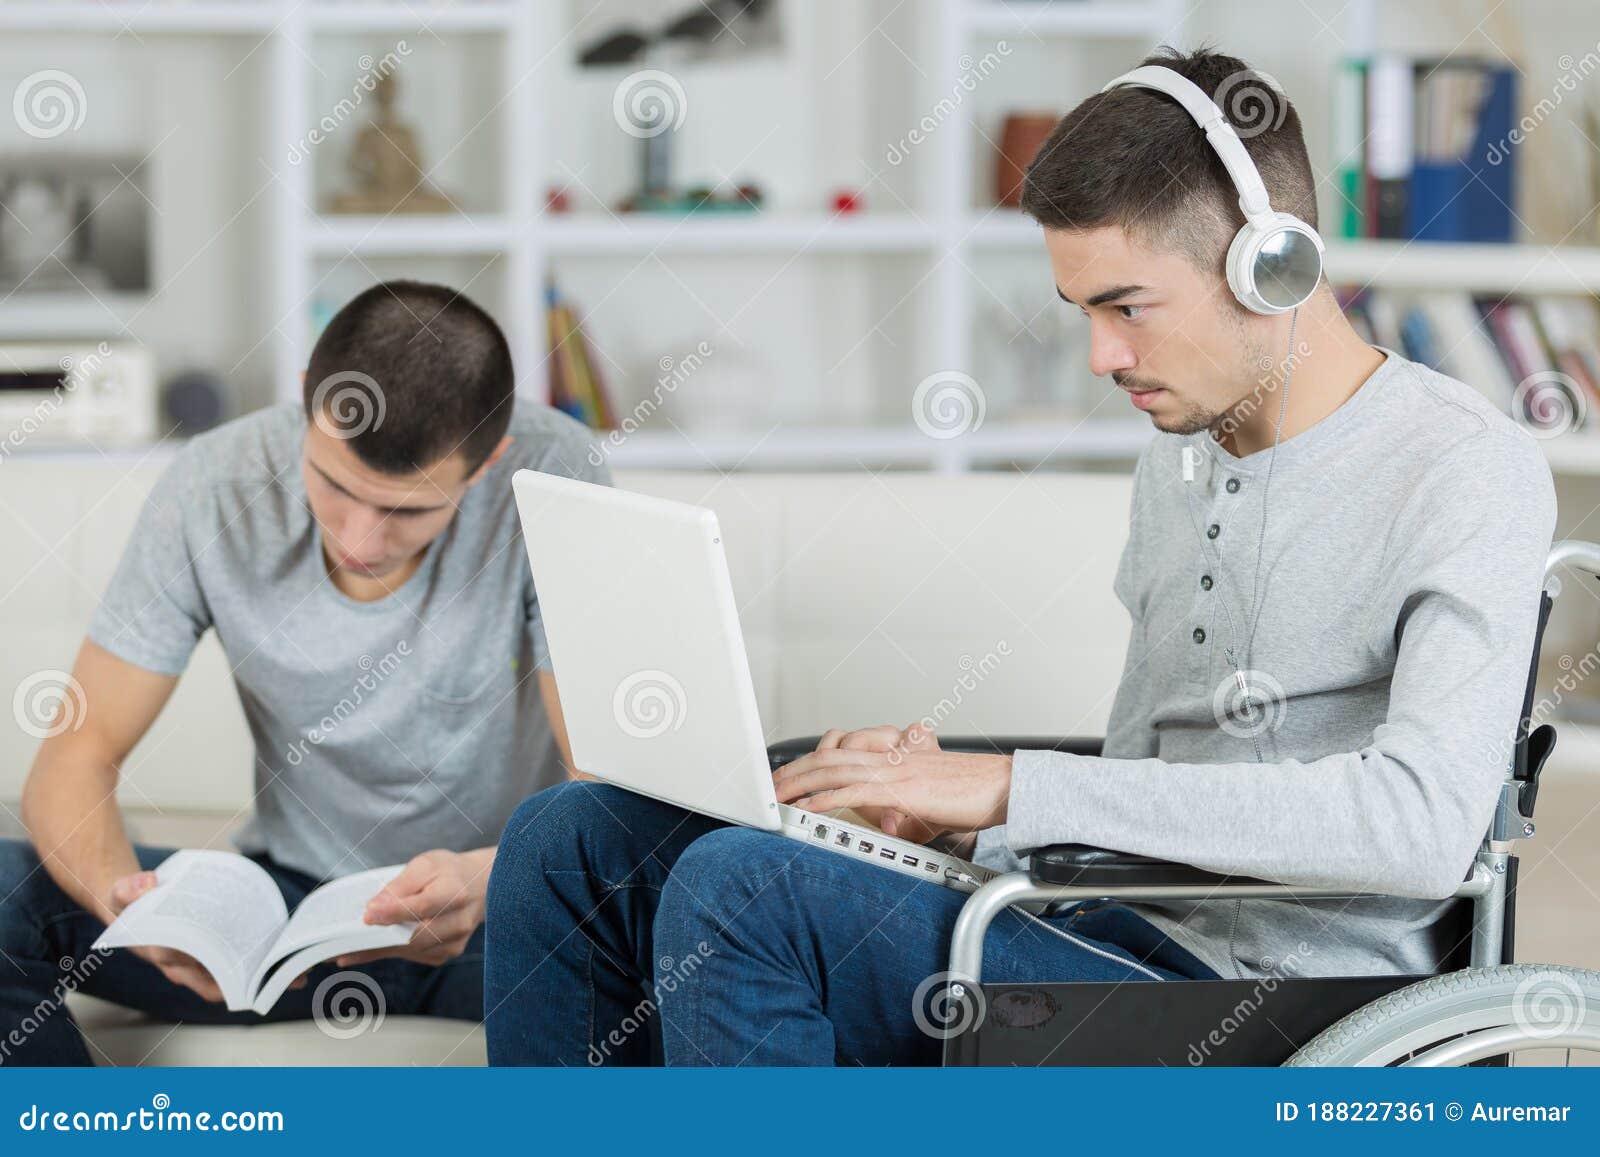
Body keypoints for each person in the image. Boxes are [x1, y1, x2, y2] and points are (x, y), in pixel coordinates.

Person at [481, 46, 1555, 1066]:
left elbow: (1418, 824)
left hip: (1271, 1011)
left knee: (745, 891)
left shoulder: (1464, 469)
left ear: (1272, 265)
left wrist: (1007, 787)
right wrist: (925, 829)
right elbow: (1139, 789)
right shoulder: (1180, 457)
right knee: (571, 840)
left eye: (1126, 307)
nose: (1103, 356)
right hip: (1091, 931)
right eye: (1082, 311)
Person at [2, 281, 606, 1065]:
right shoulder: (210, 485)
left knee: (703, 913)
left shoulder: (557, 474)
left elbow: (606, 778)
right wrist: (132, 909)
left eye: (407, 510)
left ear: (488, 460)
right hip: (293, 916)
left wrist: (491, 882)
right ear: (306, 404)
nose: (360, 537)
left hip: (502, 911)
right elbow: (78, 752)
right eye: (335, 484)